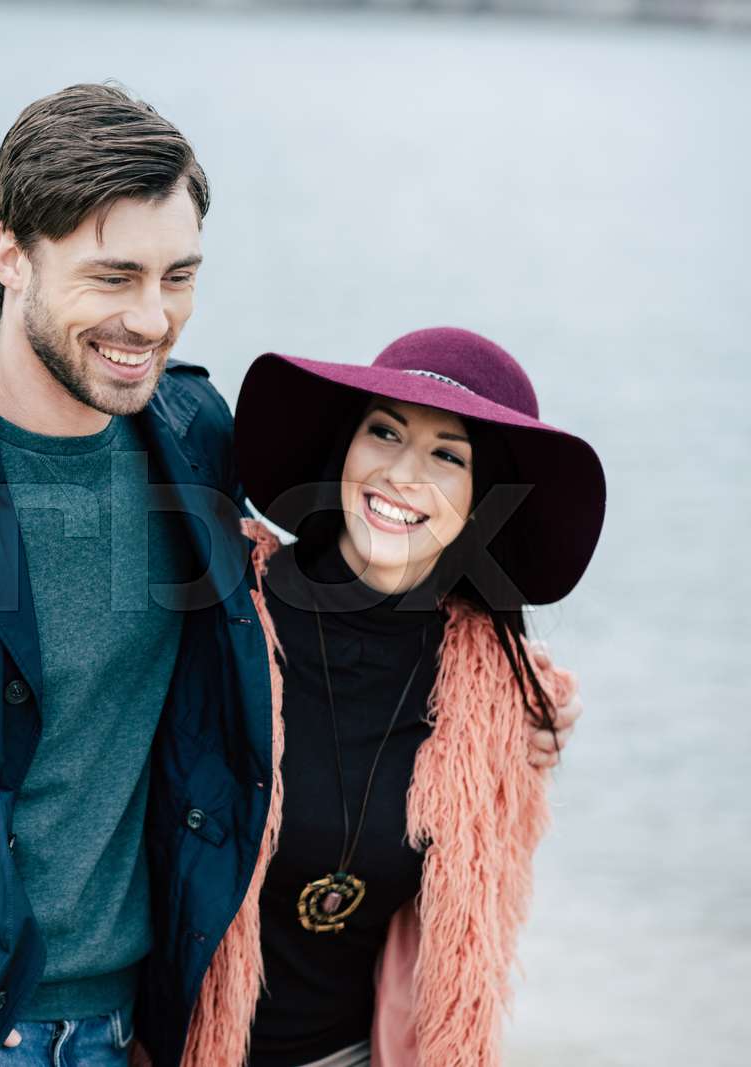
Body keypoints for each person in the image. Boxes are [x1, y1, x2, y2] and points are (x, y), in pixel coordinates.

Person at [0, 85, 577, 1067]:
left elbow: (352, 567)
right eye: (114, 275)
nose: (151, 317)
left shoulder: (199, 443)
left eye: (179, 276)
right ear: (9, 252)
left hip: (136, 1027)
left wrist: (497, 679)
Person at [183, 329, 604, 1067]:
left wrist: (547, 714)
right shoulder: (225, 614)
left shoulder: (490, 696)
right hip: (172, 1043)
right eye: (384, 431)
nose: (403, 474)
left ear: (482, 503)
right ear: (344, 449)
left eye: (449, 455)